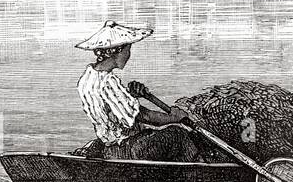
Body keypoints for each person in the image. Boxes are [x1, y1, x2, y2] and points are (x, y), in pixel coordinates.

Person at [72, 20, 205, 161]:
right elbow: (144, 116)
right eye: (127, 50)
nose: (128, 55)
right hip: (128, 149)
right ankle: (201, 168)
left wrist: (131, 96)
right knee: (178, 134)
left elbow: (111, 108)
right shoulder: (108, 82)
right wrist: (175, 117)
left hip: (111, 147)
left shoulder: (87, 78)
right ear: (117, 51)